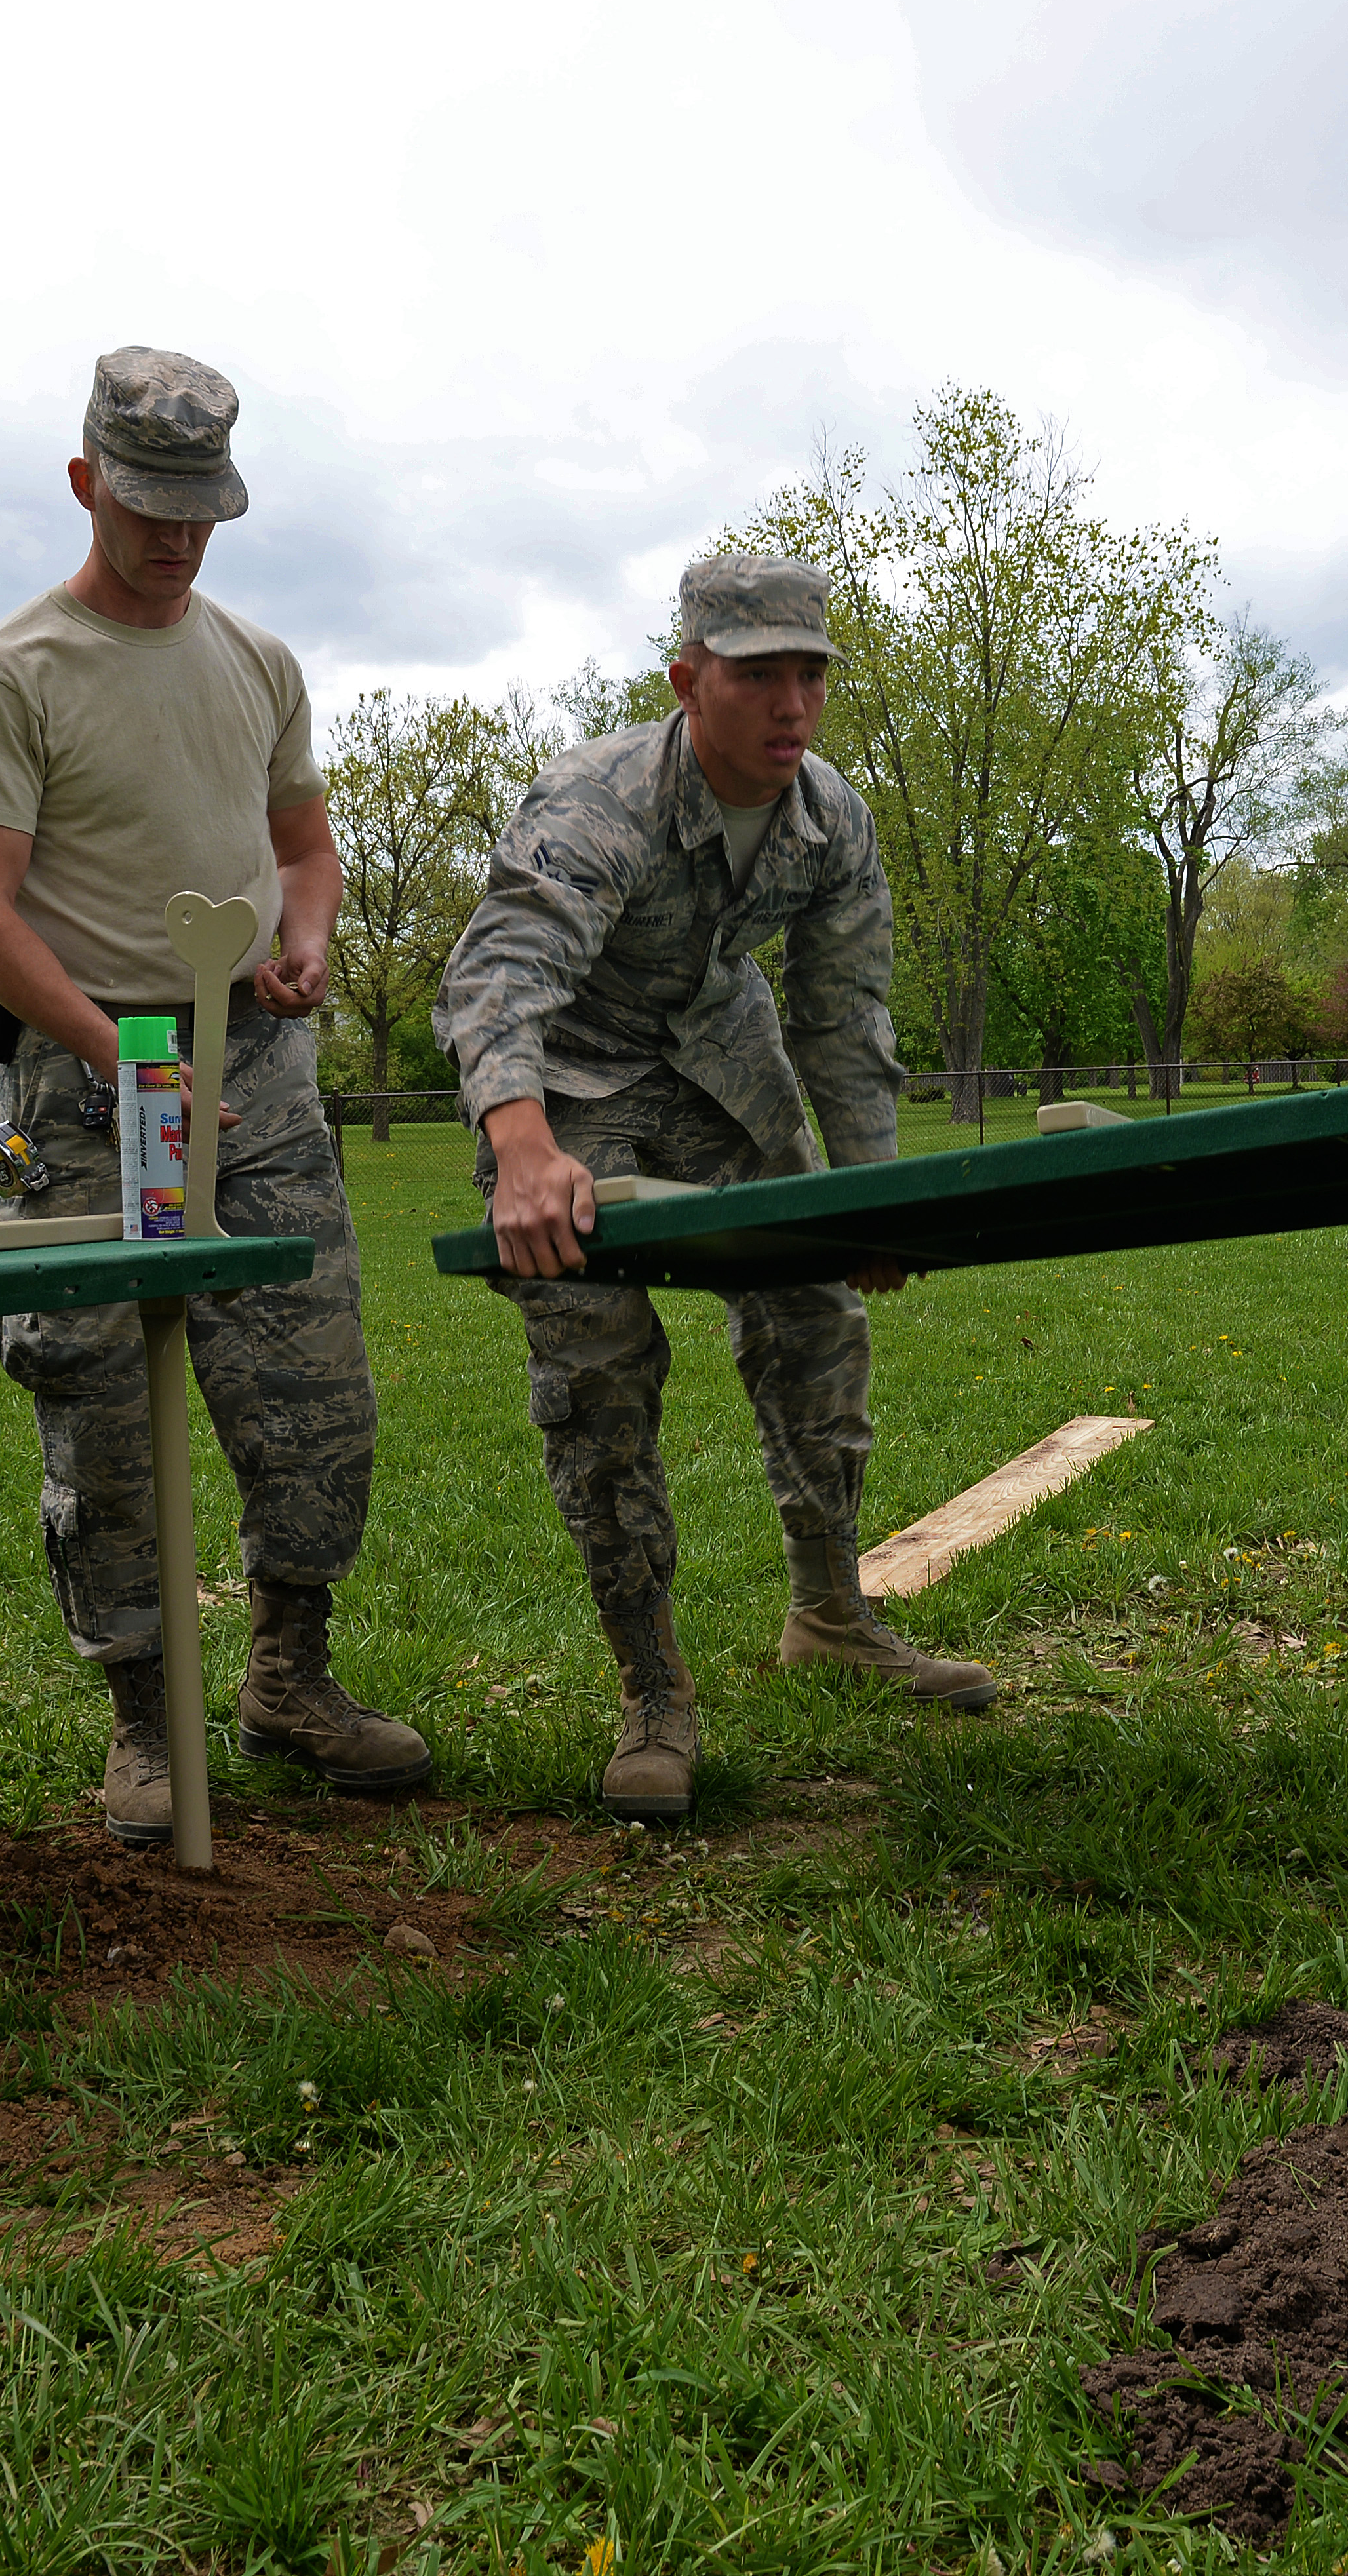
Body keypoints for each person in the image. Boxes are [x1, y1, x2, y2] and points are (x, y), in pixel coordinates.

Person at [0, 348, 427, 1833]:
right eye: (149, 506)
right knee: (103, 1411)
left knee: (313, 1395)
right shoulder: (10, 676)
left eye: (203, 510)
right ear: (86, 483)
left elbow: (305, 851)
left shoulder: (259, 664)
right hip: (83, 1083)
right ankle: (143, 1724)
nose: (179, 536)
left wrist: (306, 943)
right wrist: (109, 1047)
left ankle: (290, 1682)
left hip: (256, 1072)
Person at [438, 553, 994, 1825]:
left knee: (815, 1311)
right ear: (689, 681)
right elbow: (499, 976)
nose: (791, 706)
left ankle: (831, 1614)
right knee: (597, 1364)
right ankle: (653, 1689)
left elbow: (844, 1018)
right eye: (757, 677)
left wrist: (870, 1196)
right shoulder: (599, 800)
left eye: (810, 676)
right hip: (568, 1081)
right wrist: (521, 1146)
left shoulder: (832, 820)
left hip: (721, 1066)